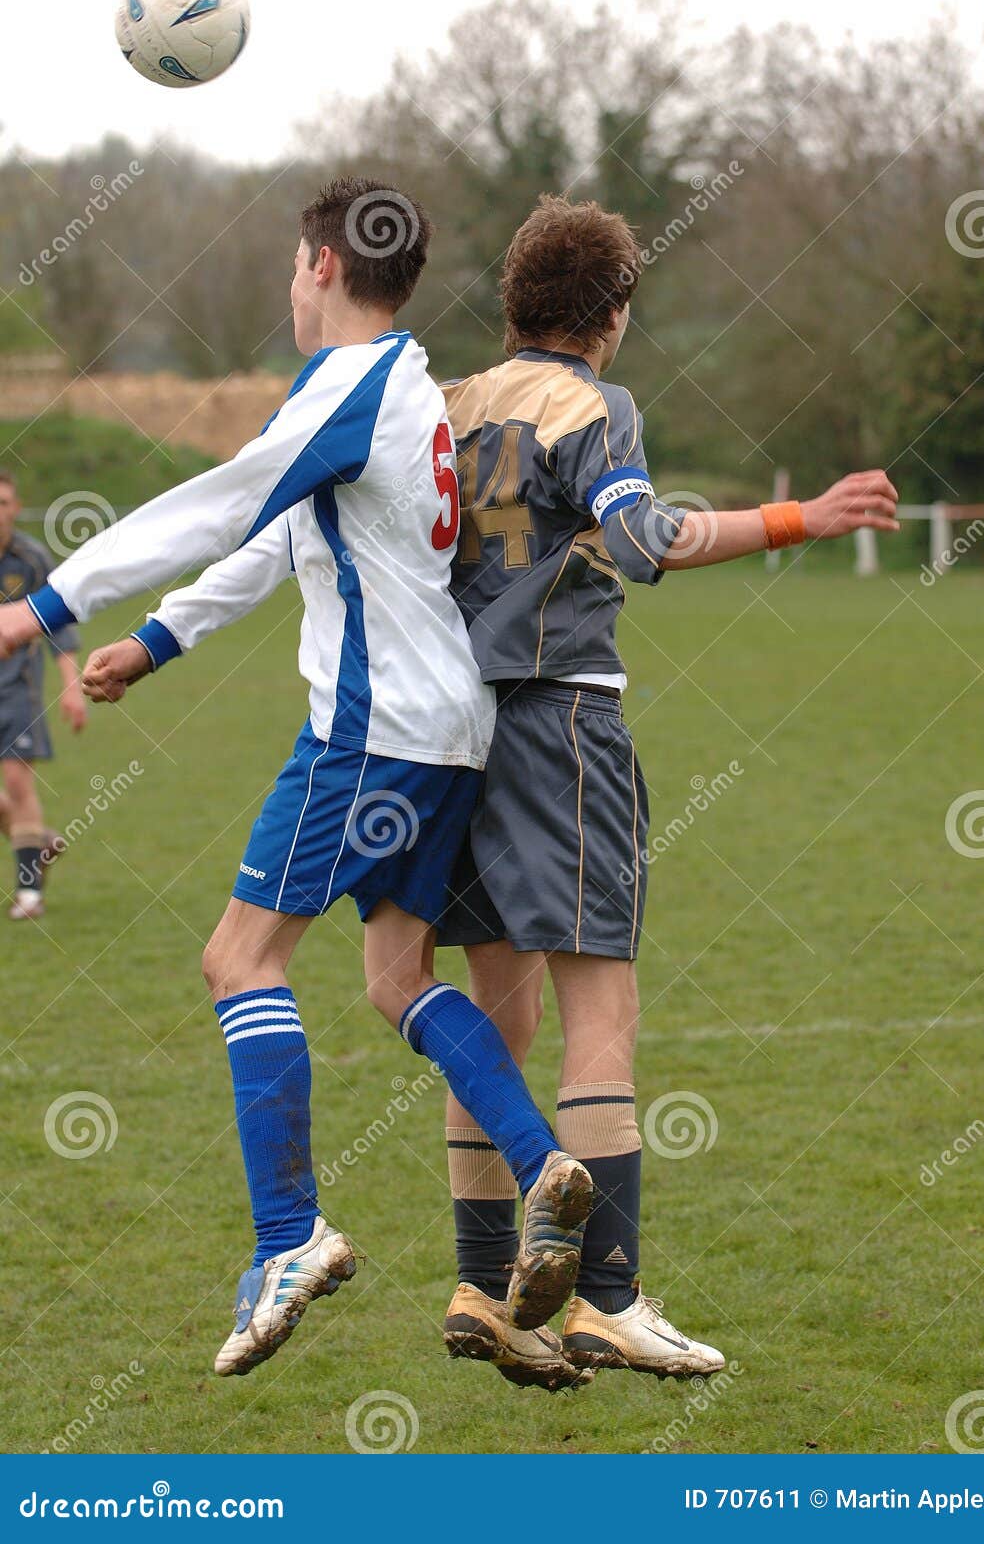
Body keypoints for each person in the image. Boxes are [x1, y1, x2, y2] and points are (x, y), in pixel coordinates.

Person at [0, 178, 594, 1384]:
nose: (286, 283)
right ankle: (543, 1167)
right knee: (394, 979)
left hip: (367, 734)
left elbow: (219, 504)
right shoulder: (404, 390)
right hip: (449, 736)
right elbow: (285, 530)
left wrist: (43, 607)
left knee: (238, 959)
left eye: (290, 264)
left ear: (322, 264)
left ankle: (289, 1237)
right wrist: (160, 639)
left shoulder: (349, 385)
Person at [434, 195, 900, 1387]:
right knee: (600, 1013)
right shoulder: (594, 403)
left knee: (498, 1021)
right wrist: (804, 515)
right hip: (560, 722)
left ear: (512, 306)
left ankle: (487, 1290)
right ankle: (609, 1297)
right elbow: (647, 541)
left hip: (451, 732)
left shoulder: (455, 404)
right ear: (613, 313)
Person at [0, 471, 85, 921]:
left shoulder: (31, 559)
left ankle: (29, 892)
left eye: (3, 503)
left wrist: (71, 687)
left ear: (16, 508)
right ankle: (38, 841)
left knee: (17, 783)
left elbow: (60, 623)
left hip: (19, 688)